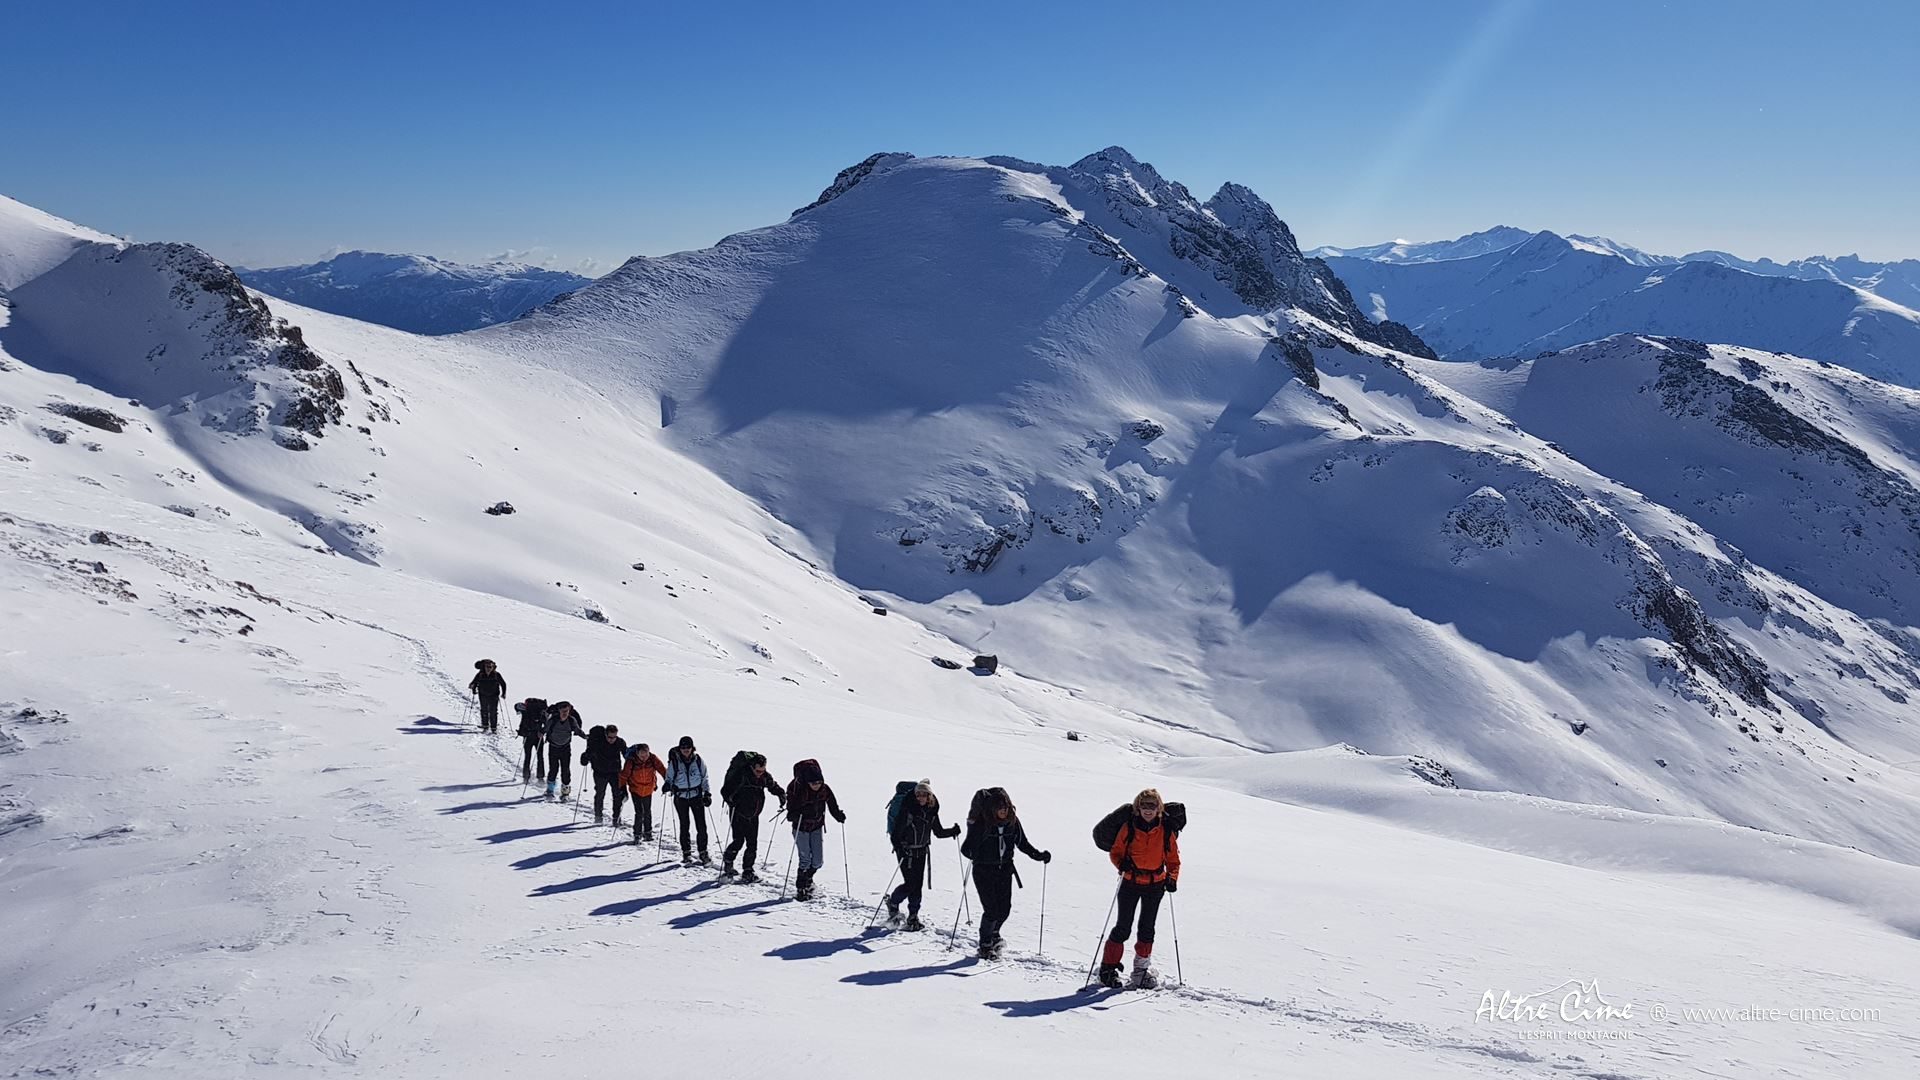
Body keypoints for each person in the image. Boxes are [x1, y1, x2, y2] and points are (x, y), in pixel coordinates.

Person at [1100, 788, 1180, 989]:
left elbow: (1173, 861)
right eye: (1144, 805)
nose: (1147, 810)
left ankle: (1140, 971)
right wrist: (1121, 865)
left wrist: (1172, 878)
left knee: (1147, 929)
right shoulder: (1129, 828)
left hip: (1155, 885)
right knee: (1123, 927)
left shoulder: (1165, 830)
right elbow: (1116, 852)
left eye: (1152, 806)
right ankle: (1107, 969)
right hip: (1130, 882)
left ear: (1159, 808)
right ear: (1137, 807)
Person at [960, 787, 1050, 959]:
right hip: (983, 871)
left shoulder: (1012, 822)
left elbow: (1022, 843)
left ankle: (994, 934)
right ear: (992, 808)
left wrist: (1038, 855)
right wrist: (976, 851)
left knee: (1005, 910)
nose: (1004, 810)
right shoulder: (982, 823)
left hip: (1004, 870)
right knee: (991, 909)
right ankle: (985, 945)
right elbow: (967, 848)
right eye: (1000, 807)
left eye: (1006, 806)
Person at [886, 780, 959, 932]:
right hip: (906, 852)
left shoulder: (931, 811)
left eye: (923, 795)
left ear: (929, 796)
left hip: (921, 852)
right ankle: (893, 902)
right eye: (918, 794)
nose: (920, 798)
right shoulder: (908, 810)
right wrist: (901, 849)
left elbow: (938, 832)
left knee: (917, 885)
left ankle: (913, 915)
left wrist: (952, 831)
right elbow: (895, 835)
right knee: (911, 884)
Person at [784, 759, 845, 900]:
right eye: (813, 783)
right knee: (805, 859)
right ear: (807, 782)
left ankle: (808, 879)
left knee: (817, 861)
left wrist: (838, 816)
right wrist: (797, 814)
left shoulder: (825, 789)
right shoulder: (796, 789)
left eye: (819, 782)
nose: (817, 786)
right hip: (801, 828)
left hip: (817, 827)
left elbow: (832, 804)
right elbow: (790, 811)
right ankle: (801, 887)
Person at [720, 752, 785, 883]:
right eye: (758, 770)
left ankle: (748, 871)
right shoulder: (741, 775)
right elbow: (725, 791)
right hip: (738, 813)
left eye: (762, 770)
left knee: (752, 844)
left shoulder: (764, 777)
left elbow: (772, 786)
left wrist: (781, 794)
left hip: (754, 815)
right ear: (751, 767)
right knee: (738, 841)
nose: (760, 773)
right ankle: (728, 862)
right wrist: (731, 801)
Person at [663, 736, 711, 866]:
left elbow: (704, 777)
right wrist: (667, 785)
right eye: (683, 747)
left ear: (692, 748)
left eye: (688, 747)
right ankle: (686, 853)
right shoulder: (674, 762)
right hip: (681, 797)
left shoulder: (699, 761)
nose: (686, 750)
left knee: (701, 826)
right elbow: (669, 777)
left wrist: (707, 793)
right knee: (685, 825)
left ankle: (703, 852)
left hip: (696, 796)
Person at [619, 742, 668, 844]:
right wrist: (622, 788)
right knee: (639, 812)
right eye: (642, 755)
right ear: (637, 753)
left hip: (648, 789)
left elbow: (662, 769)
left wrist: (668, 781)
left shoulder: (653, 759)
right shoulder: (631, 761)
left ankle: (648, 833)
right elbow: (624, 775)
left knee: (647, 811)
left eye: (646, 755)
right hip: (635, 789)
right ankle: (637, 834)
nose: (644, 757)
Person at [580, 724, 628, 824]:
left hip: (615, 772)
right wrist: (585, 757)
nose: (612, 739)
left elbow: (626, 754)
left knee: (617, 795)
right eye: (610, 737)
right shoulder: (598, 743)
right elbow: (589, 752)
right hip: (600, 772)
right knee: (600, 794)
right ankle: (598, 816)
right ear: (605, 735)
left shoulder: (620, 742)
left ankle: (616, 817)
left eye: (614, 737)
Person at [543, 701, 585, 801]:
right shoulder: (553, 720)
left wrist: (585, 737)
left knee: (565, 770)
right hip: (553, 747)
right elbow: (545, 729)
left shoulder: (571, 720)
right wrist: (541, 733)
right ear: (559, 711)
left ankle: (565, 792)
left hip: (565, 748)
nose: (565, 713)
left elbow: (577, 730)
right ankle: (550, 790)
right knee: (553, 768)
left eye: (566, 711)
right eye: (563, 711)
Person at [514, 698, 548, 782]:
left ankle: (526, 776)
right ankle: (540, 776)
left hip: (528, 735)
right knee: (540, 756)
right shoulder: (541, 711)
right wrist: (543, 732)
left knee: (527, 756)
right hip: (538, 735)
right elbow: (546, 723)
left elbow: (516, 706)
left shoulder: (526, 710)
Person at [468, 660, 506, 733]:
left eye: (490, 667)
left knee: (493, 711)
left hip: (494, 695)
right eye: (487, 667)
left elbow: (503, 684)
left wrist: (504, 693)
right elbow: (475, 682)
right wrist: (473, 688)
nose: (488, 668)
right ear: (484, 667)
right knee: (484, 710)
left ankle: (493, 727)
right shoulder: (480, 674)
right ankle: (485, 726)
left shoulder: (496, 675)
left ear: (493, 667)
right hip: (483, 695)